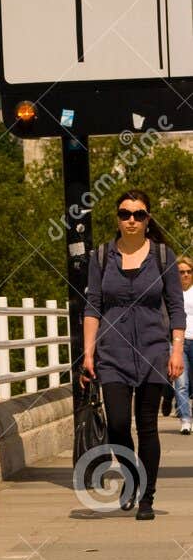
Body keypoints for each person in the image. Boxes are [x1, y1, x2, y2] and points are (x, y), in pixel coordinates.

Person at [83, 190, 185, 519]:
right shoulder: (101, 257)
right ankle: (130, 477)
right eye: (125, 214)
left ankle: (147, 498)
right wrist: (87, 353)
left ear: (147, 219)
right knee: (116, 424)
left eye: (138, 214)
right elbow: (93, 306)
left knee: (147, 427)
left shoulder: (163, 257)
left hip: (153, 352)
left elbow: (175, 307)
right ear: (117, 217)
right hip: (111, 354)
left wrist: (177, 351)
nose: (131, 220)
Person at [170, 255, 193, 435]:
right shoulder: (171, 293)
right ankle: (185, 420)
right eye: (181, 272)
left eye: (188, 271)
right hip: (179, 343)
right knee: (181, 383)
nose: (185, 275)